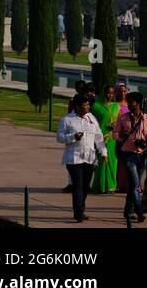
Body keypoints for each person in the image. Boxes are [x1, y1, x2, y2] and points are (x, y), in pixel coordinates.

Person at [57, 94, 107, 223]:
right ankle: (78, 213)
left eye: (88, 104)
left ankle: (80, 209)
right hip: (73, 158)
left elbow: (98, 137)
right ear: (78, 107)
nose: (88, 106)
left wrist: (104, 152)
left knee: (85, 186)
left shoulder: (91, 118)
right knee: (78, 185)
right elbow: (59, 137)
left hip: (89, 157)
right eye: (86, 105)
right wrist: (73, 136)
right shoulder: (67, 119)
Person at [112, 92, 147, 223]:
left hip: (142, 154)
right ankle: (139, 210)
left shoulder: (145, 118)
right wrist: (121, 134)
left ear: (138, 103)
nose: (129, 104)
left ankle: (128, 210)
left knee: (133, 184)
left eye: (131, 102)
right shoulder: (123, 118)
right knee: (135, 183)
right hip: (128, 154)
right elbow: (114, 134)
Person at [90, 84, 120, 194]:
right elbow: (92, 123)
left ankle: (111, 185)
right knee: (102, 161)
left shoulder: (116, 106)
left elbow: (120, 122)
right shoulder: (96, 106)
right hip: (100, 138)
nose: (110, 95)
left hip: (112, 139)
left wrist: (115, 126)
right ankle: (100, 185)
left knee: (112, 162)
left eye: (112, 93)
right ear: (103, 93)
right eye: (108, 93)